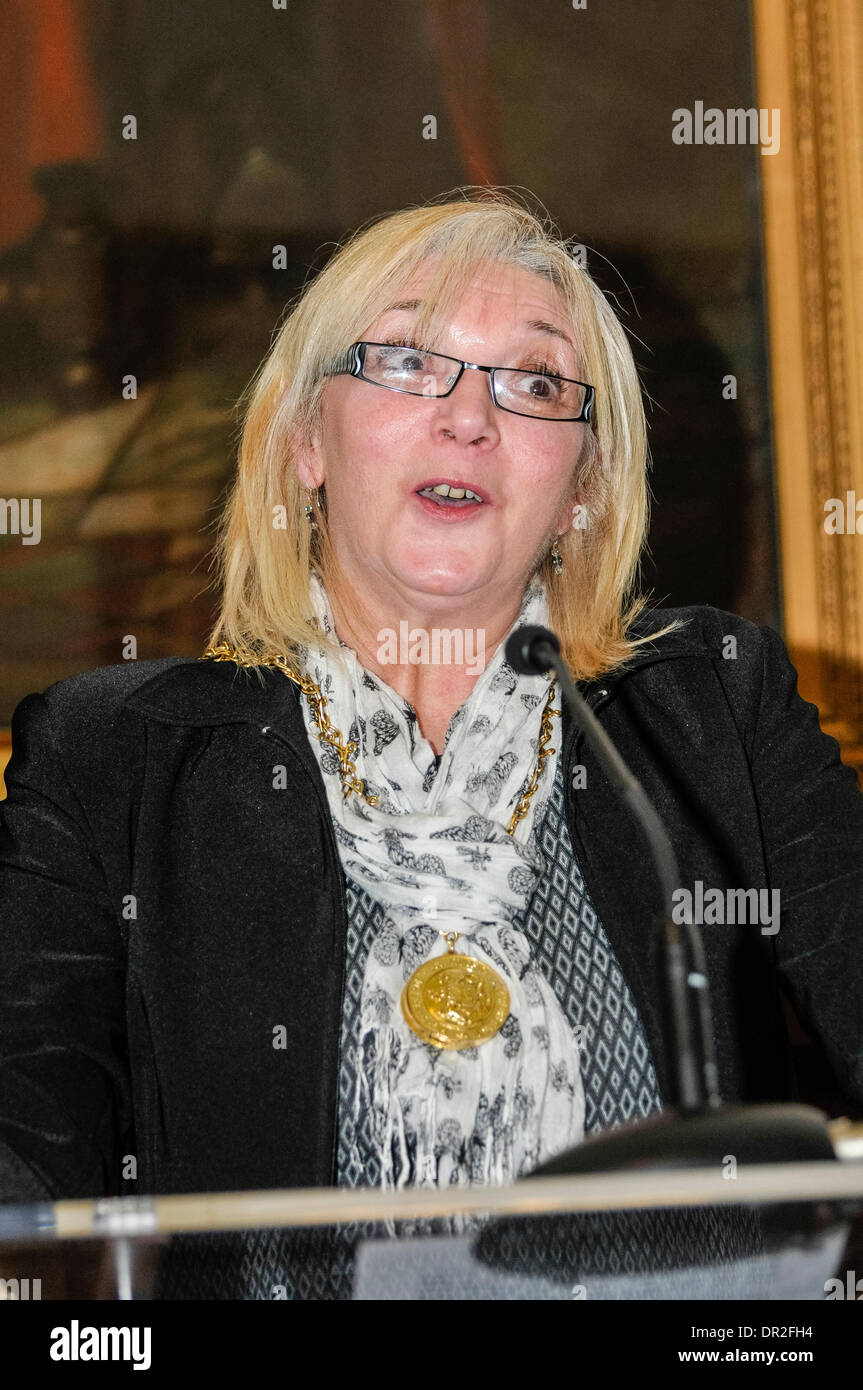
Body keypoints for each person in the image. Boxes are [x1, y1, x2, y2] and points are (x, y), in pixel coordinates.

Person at [1, 189, 861, 1300]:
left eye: (535, 381)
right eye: (407, 360)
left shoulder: (712, 712)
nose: (469, 417)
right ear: (305, 439)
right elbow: (24, 1159)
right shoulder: (117, 758)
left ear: (579, 490)